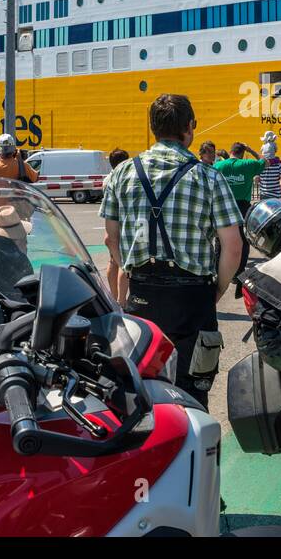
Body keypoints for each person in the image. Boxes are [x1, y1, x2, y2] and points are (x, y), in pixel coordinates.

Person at [100, 94, 242, 407]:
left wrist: (129, 269)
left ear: (153, 128)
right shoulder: (210, 177)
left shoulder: (122, 174)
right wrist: (215, 291)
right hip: (194, 298)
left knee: (142, 389)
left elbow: (112, 240)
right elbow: (233, 246)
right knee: (194, 389)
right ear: (190, 128)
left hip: (142, 294)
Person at [214, 141, 263, 275]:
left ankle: (219, 270)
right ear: (242, 153)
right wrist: (251, 150)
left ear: (231, 151)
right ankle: (240, 271)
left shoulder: (218, 165)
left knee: (220, 239)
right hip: (242, 206)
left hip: (224, 205)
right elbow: (265, 161)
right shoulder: (248, 164)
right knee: (243, 239)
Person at [0, 204, 36, 299]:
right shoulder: (17, 259)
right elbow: (30, 293)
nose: (26, 242)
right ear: (18, 238)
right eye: (25, 239)